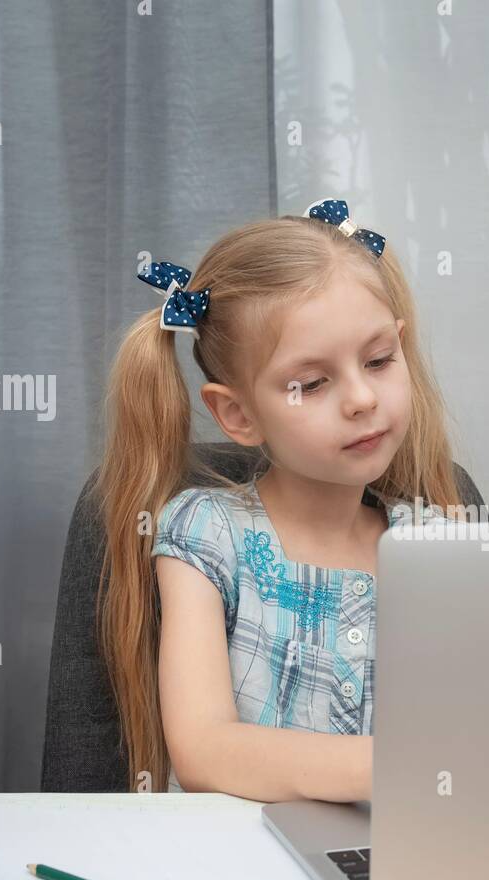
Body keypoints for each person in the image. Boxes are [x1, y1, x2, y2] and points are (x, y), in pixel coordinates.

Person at [95, 199, 469, 800]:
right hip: (234, 875)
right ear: (237, 414)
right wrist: (404, 767)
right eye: (312, 383)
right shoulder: (207, 534)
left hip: (401, 863)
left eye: (378, 361)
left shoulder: (434, 545)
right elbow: (205, 751)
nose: (361, 399)